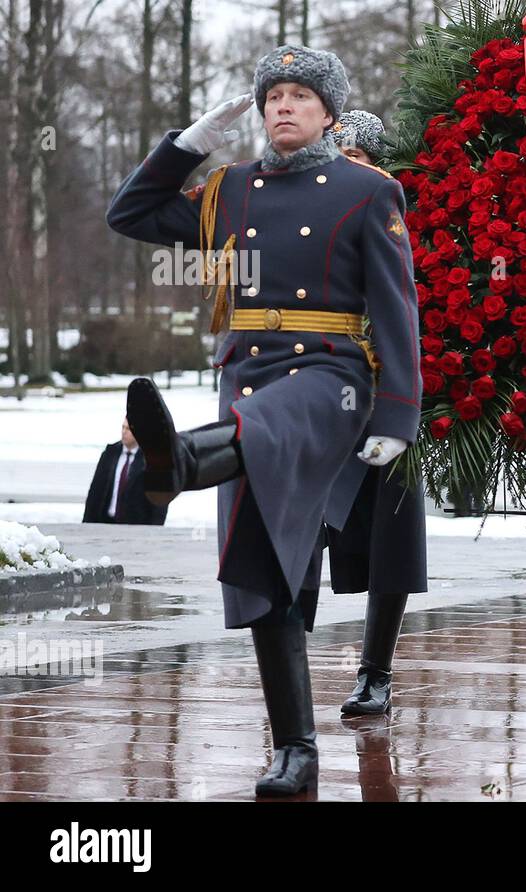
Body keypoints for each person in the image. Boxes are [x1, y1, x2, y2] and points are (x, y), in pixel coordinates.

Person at [106, 44, 421, 796]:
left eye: (299, 96)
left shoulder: (367, 191)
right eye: (272, 94)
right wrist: (186, 146)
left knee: (272, 422)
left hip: (331, 377)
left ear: (330, 114)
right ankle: (296, 749)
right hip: (246, 375)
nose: (282, 105)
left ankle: (178, 461)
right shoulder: (230, 190)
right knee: (265, 564)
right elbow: (131, 214)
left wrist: (399, 411)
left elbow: (396, 304)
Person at [320, 102, 427, 718]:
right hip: (317, 393)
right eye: (340, 156)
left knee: (391, 538)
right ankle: (284, 661)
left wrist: (400, 403)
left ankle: (375, 672)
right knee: (295, 528)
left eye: (358, 157)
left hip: (383, 395)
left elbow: (401, 310)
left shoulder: (384, 212)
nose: (347, 169)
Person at [82, 418, 168, 525]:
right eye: (123, 427)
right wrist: (87, 522)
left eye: (128, 429)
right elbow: (95, 490)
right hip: (106, 522)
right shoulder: (110, 453)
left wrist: (154, 530)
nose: (124, 432)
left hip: (136, 526)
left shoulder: (151, 459)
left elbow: (159, 500)